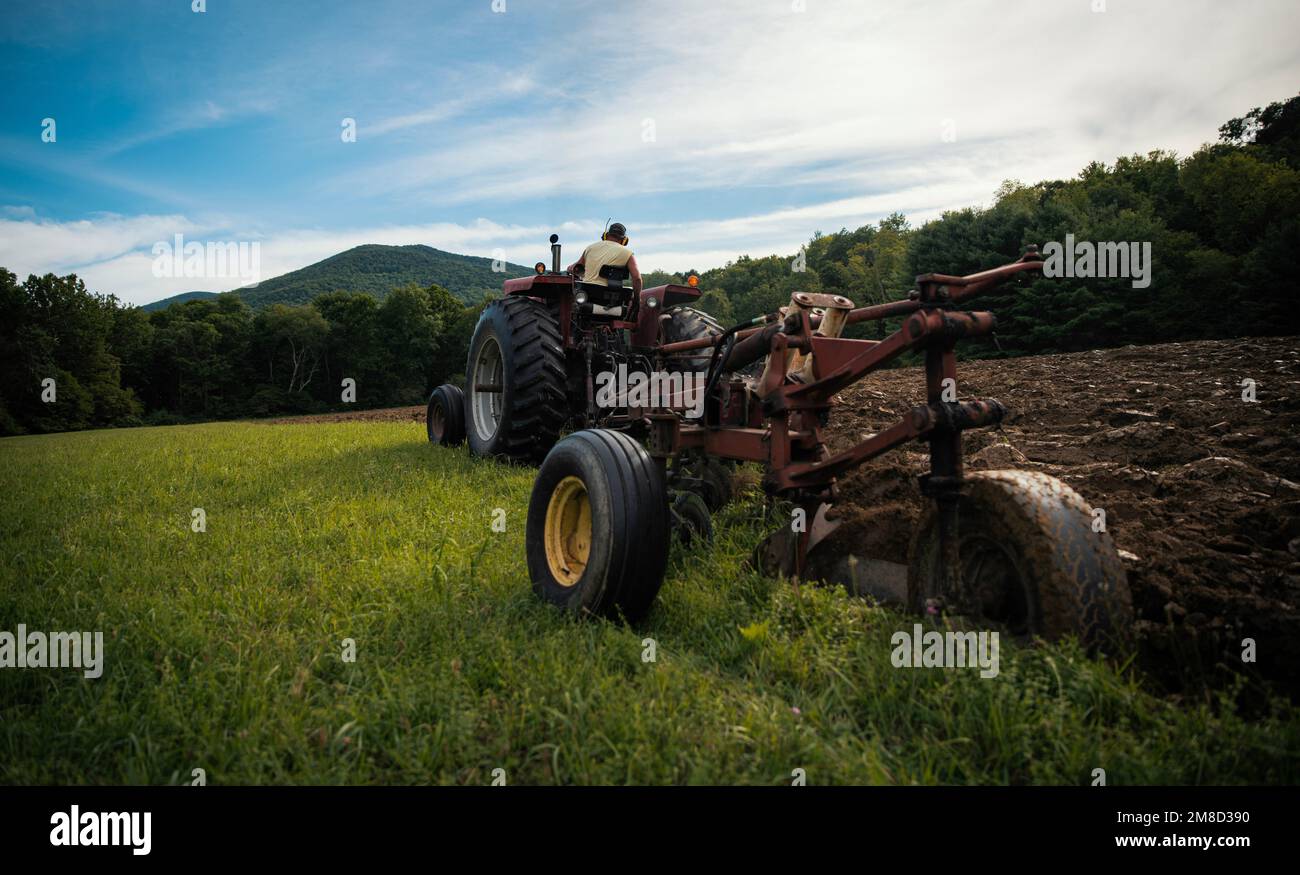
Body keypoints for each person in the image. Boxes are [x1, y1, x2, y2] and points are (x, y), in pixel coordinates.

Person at [568, 222, 642, 296]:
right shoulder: (628, 253)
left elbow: (576, 268)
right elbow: (637, 279)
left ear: (605, 235)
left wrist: (570, 268)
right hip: (613, 298)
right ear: (624, 240)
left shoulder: (590, 248)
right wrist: (637, 300)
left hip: (588, 295)